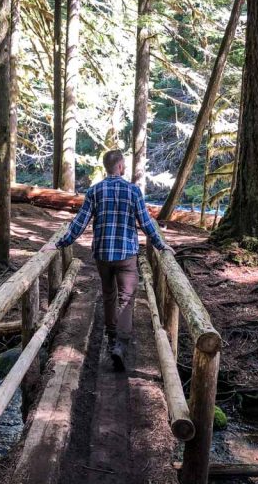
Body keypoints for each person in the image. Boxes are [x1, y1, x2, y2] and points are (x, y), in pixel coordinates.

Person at [43, 150, 173, 371]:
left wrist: (59, 243)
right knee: (126, 298)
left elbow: (79, 223)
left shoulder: (95, 191)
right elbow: (146, 223)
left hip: (103, 255)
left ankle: (112, 338)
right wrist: (162, 245)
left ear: (106, 167)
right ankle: (120, 345)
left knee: (109, 295)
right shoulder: (133, 191)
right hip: (126, 255)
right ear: (120, 166)